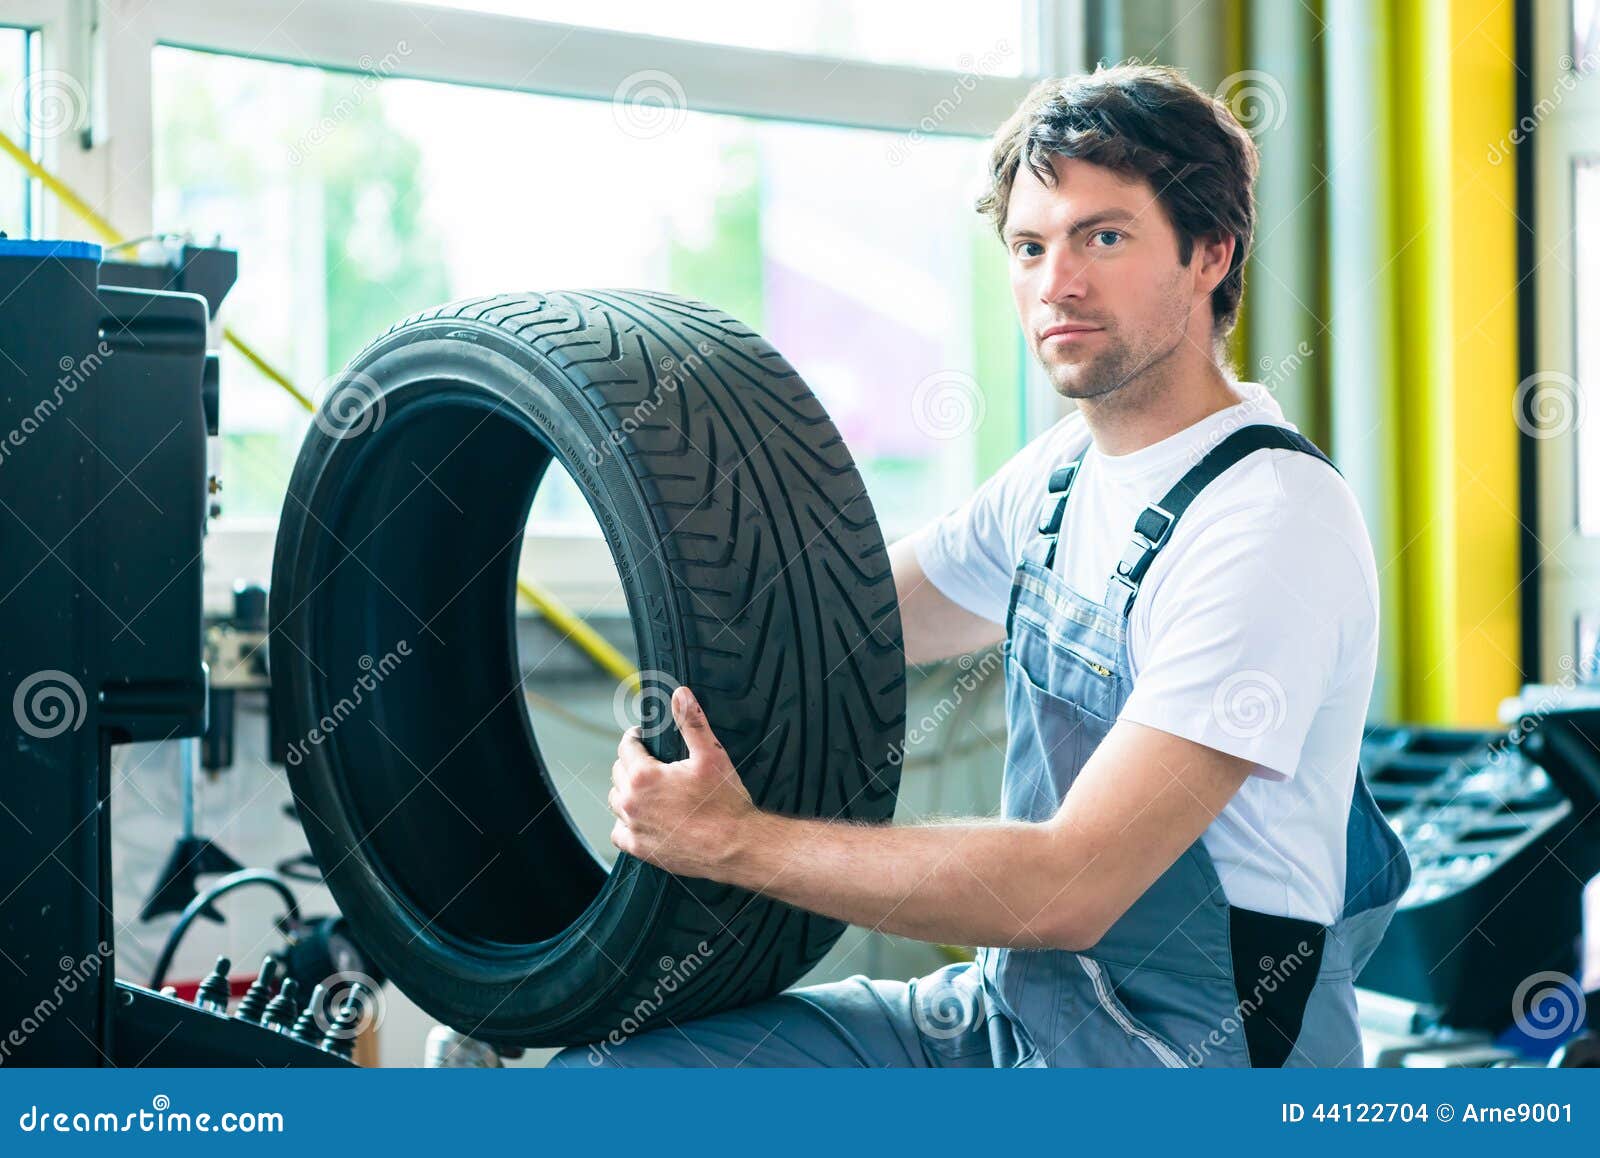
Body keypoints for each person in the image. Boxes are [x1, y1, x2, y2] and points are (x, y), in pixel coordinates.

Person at [548, 61, 1409, 1069]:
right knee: (611, 1083)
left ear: (1209, 253)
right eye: (1029, 246)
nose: (1058, 283)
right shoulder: (1056, 479)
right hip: (1011, 1021)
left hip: (1194, 1067)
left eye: (1105, 236)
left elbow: (1068, 886)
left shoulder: (1268, 524)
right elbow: (839, 629)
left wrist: (736, 841)